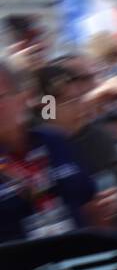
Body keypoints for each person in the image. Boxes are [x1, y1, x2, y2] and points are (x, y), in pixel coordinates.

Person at [0, 60, 104, 243]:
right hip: (22, 268)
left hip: (83, 259)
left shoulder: (54, 141)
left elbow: (91, 205)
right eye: (68, 101)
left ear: (22, 98)